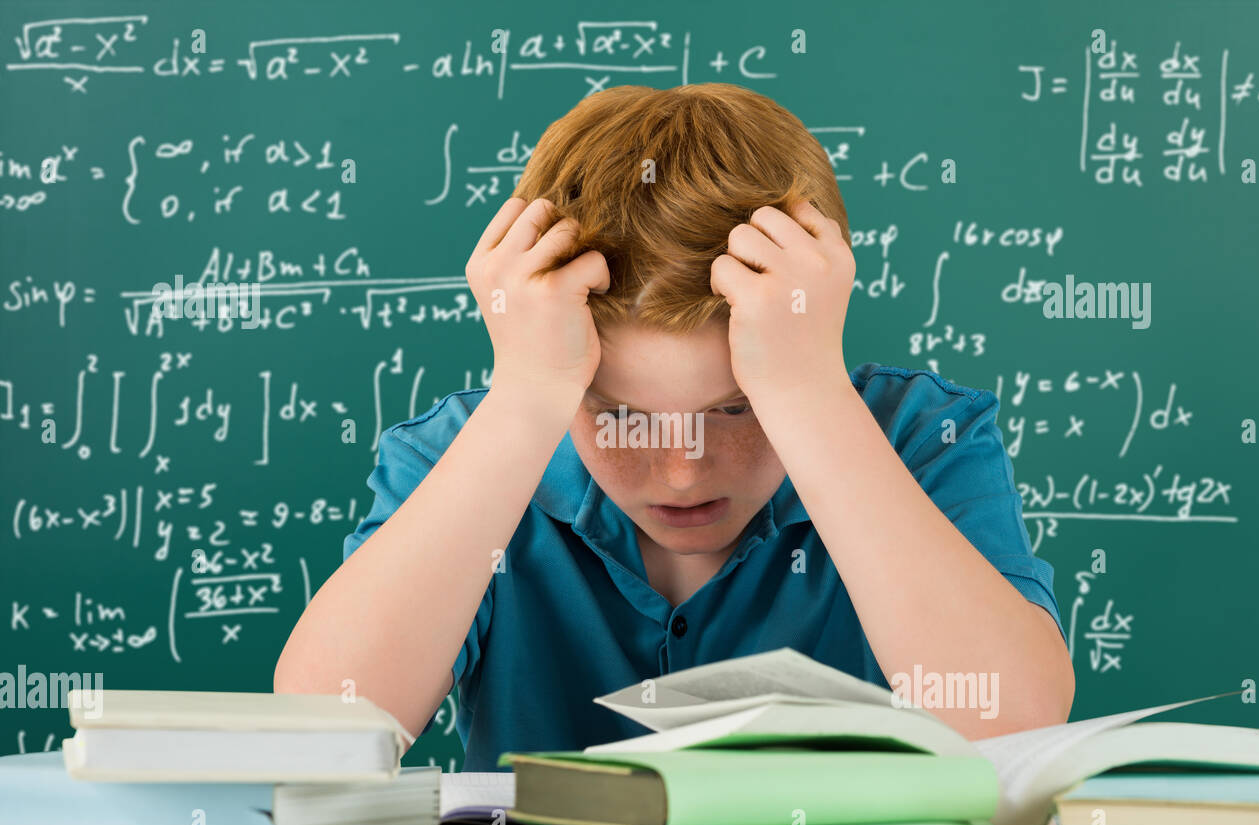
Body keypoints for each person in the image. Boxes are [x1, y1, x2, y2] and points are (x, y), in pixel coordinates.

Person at [275, 83, 1074, 771]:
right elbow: (326, 726)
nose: (685, 469)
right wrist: (522, 400)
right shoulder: (466, 456)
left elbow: (1012, 723)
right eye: (618, 414)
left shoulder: (919, 439)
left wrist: (805, 395)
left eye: (737, 406)